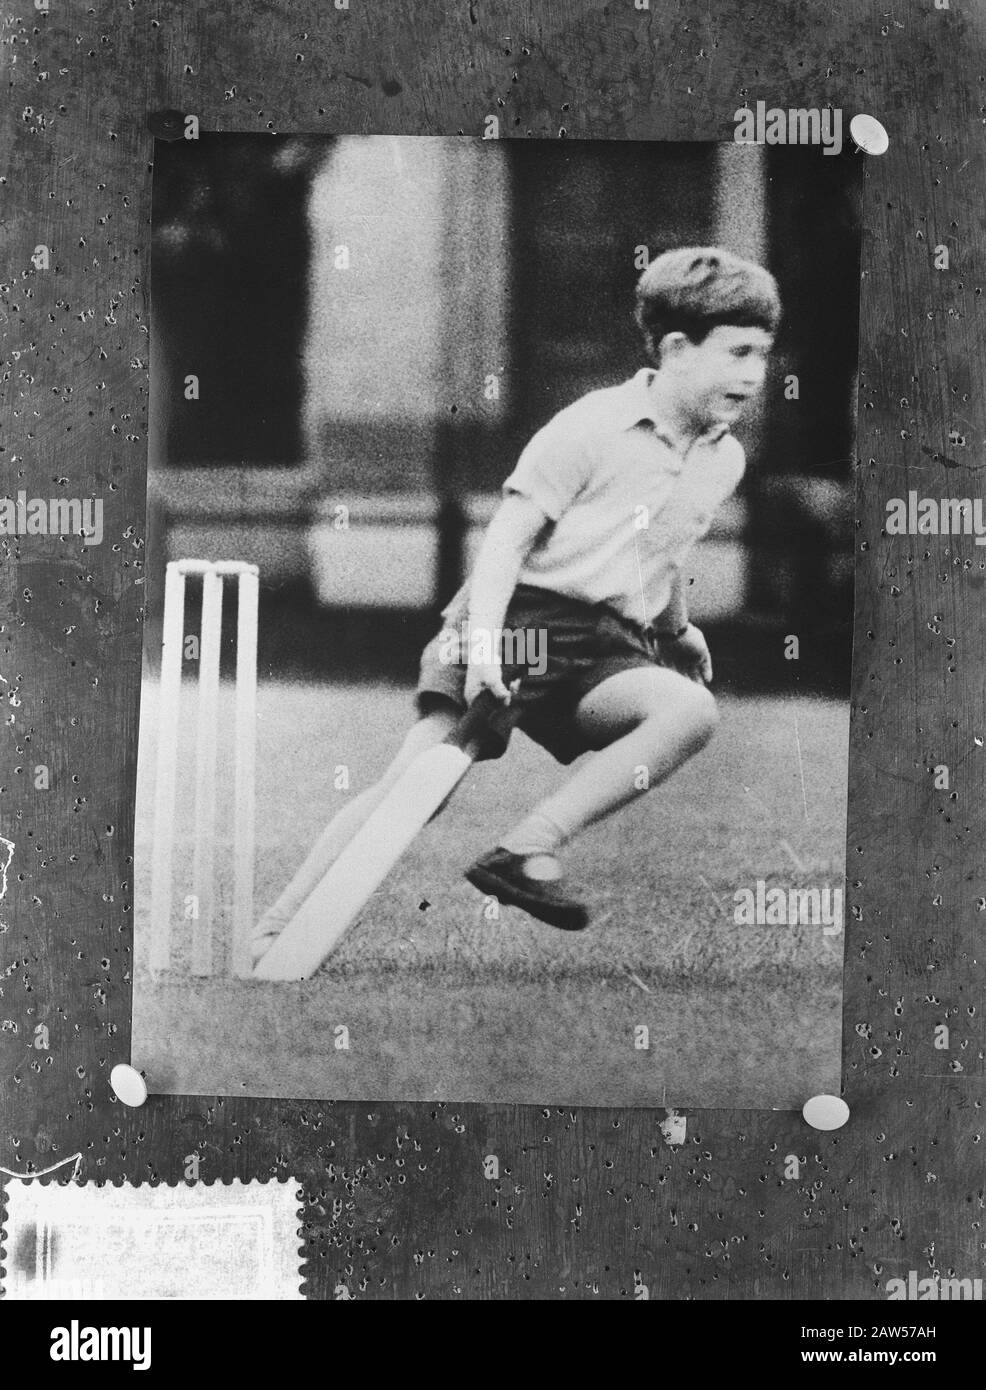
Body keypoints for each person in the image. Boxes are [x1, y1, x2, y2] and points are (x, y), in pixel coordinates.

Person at [252, 245, 781, 958]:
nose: (754, 374)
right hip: (517, 620)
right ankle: (277, 928)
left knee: (687, 710)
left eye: (763, 354)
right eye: (738, 352)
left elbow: (665, 550)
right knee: (421, 784)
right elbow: (504, 542)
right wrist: (480, 651)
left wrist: (677, 628)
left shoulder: (724, 457)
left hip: (604, 641)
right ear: (678, 349)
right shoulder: (590, 427)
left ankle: (525, 850)